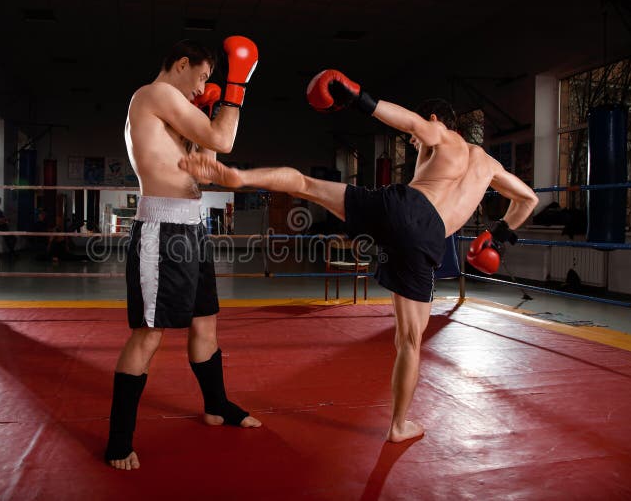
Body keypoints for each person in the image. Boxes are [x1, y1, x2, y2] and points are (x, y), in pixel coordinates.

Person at [179, 68, 539, 443]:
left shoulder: (441, 135)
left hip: (400, 207)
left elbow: (413, 122)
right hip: (427, 238)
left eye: (416, 142)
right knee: (410, 342)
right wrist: (496, 239)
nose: (417, 144)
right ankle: (399, 426)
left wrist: (359, 98)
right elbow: (527, 199)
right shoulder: (490, 167)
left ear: (436, 121)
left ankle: (239, 177)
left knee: (305, 185)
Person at [105, 37, 261, 471]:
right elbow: (225, 140)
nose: (201, 86)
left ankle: (217, 406)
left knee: (205, 323)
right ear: (179, 64)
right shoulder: (153, 95)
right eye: (203, 76)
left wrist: (209, 112)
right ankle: (119, 441)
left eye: (210, 80)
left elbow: (208, 164)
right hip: (162, 229)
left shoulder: (176, 111)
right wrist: (236, 84)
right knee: (149, 333)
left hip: (192, 227)